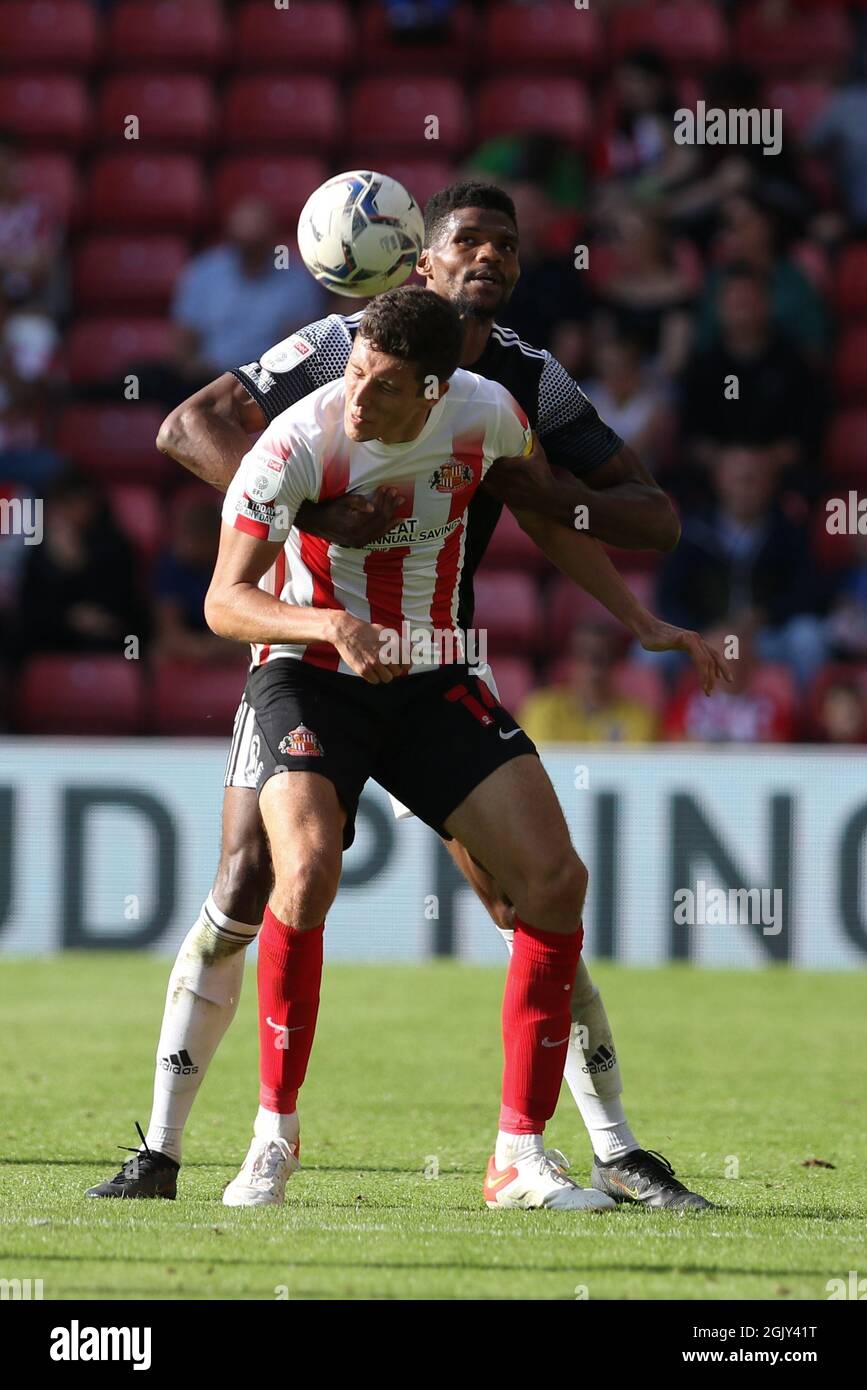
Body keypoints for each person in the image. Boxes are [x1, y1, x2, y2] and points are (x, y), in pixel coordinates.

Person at [87, 182, 717, 1212]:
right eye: (466, 239)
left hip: (433, 663)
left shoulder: (511, 386)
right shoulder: (321, 381)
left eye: (506, 245)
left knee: (537, 892)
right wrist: (321, 518)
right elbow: (193, 439)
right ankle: (184, 1149)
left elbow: (615, 517)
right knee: (267, 872)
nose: (490, 257)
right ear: (415, 259)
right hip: (310, 662)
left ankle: (586, 1147)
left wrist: (628, 600)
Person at [519, 623, 658, 745]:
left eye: (601, 657)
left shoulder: (638, 717)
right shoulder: (542, 708)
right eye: (583, 654)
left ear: (616, 663)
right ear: (569, 661)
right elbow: (540, 761)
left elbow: (635, 769)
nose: (592, 666)